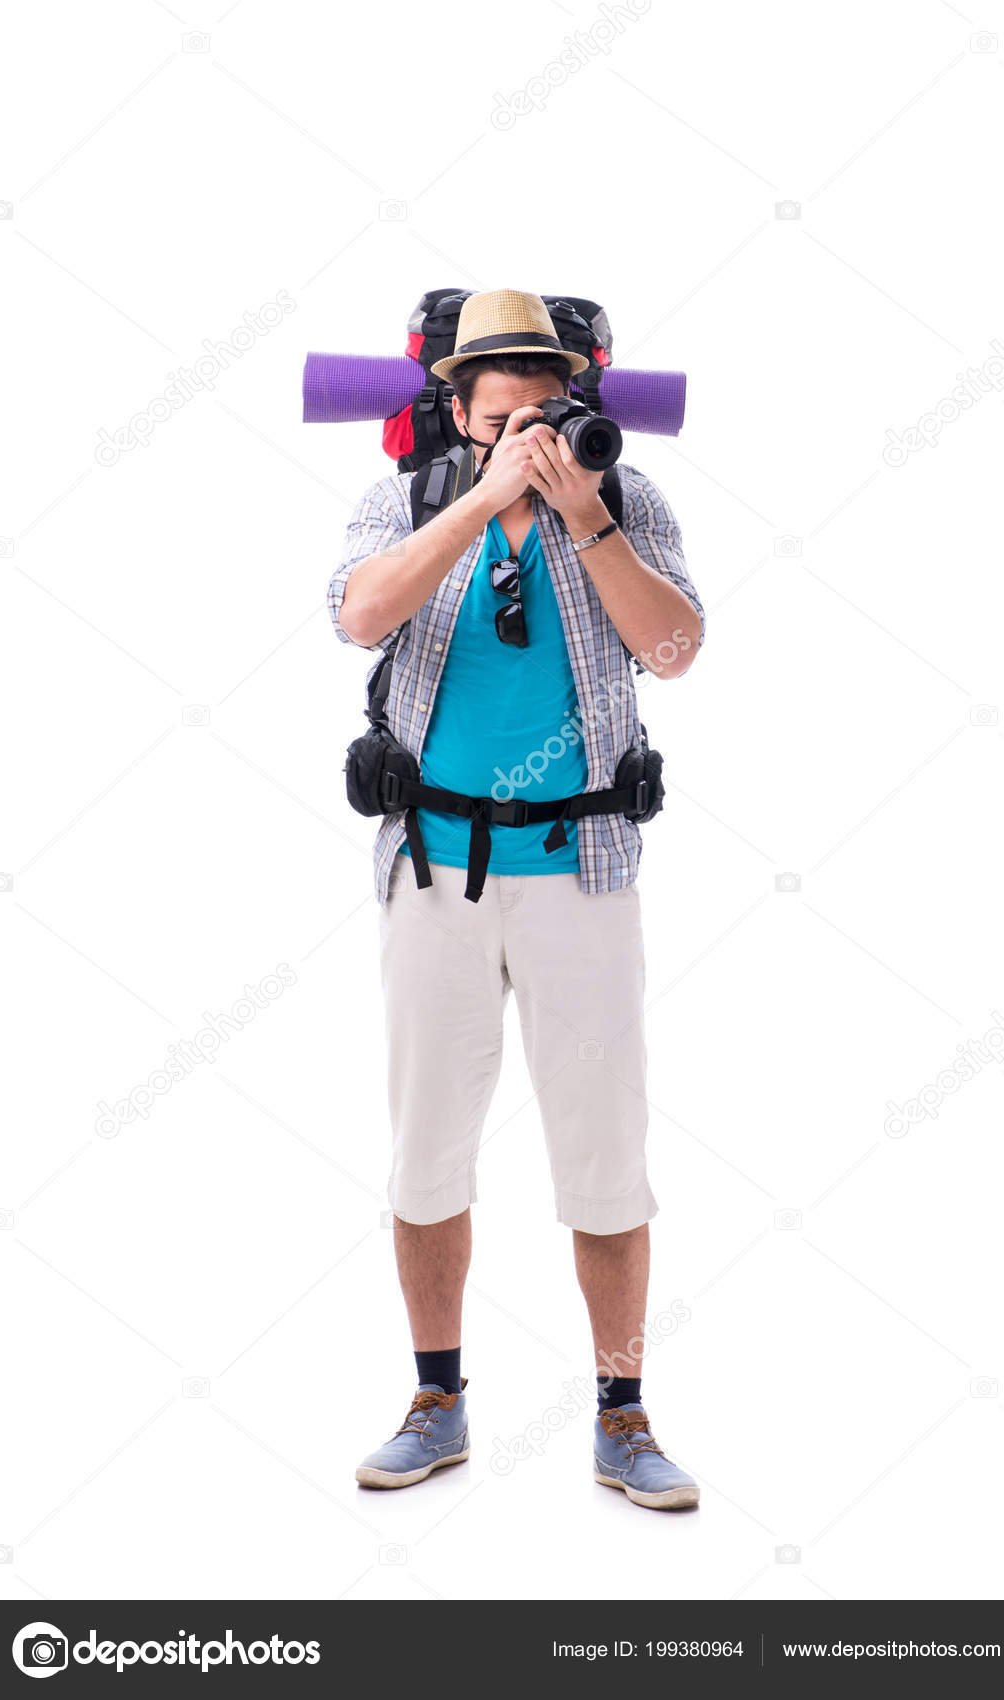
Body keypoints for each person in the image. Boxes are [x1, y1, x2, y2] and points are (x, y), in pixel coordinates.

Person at [327, 289, 706, 1511]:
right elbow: (357, 612)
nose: (532, 435)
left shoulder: (627, 500)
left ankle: (622, 1410)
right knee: (426, 1153)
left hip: (582, 878)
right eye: (505, 418)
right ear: (457, 412)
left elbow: (676, 649)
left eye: (551, 413)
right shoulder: (409, 500)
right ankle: (437, 1400)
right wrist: (486, 502)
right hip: (433, 874)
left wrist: (584, 518)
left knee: (607, 1160)